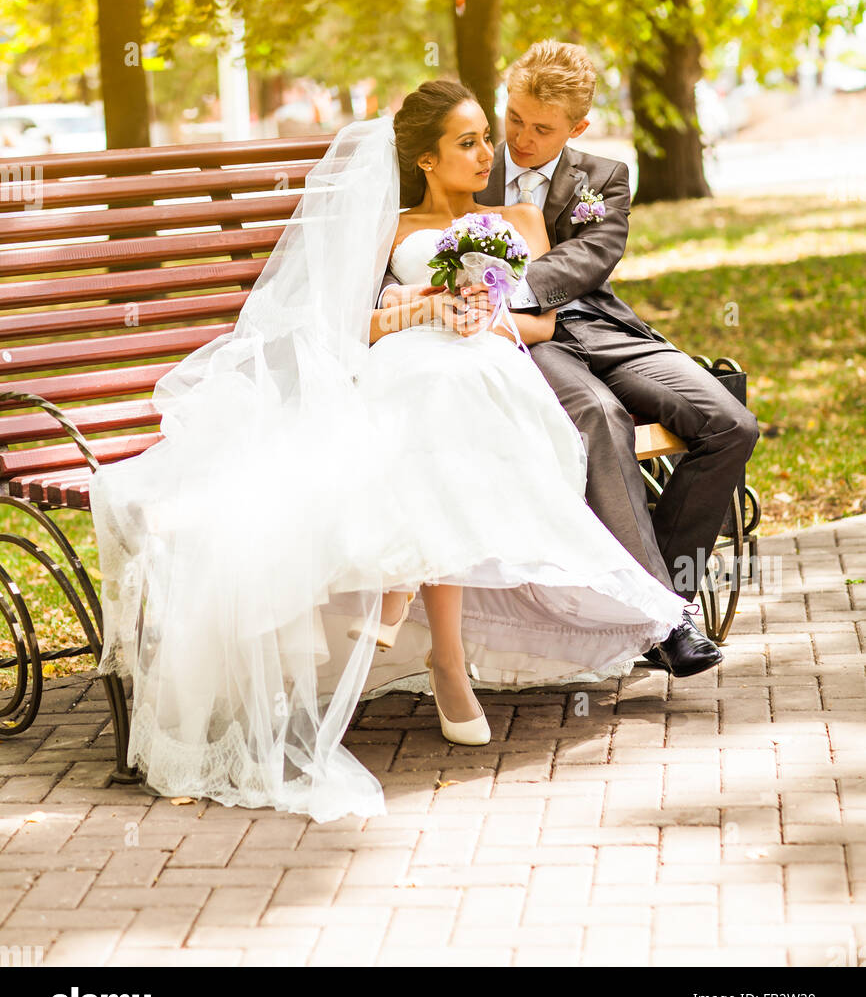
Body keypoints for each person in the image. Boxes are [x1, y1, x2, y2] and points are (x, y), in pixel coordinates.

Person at [89, 81, 687, 824]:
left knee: (455, 390)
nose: (486, 154)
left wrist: (485, 314)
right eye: (467, 143)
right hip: (409, 367)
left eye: (485, 139)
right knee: (434, 393)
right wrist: (425, 308)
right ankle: (443, 658)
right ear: (428, 161)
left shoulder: (519, 218)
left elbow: (542, 327)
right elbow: (348, 323)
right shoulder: (389, 225)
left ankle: (405, 593)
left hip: (487, 361)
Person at [384, 41, 760, 678]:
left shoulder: (604, 178)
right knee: (599, 417)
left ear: (577, 128)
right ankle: (668, 624)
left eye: (542, 129)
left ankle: (658, 600)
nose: (521, 139)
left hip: (601, 329)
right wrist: (469, 304)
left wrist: (507, 283)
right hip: (525, 344)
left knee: (731, 425)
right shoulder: (470, 157)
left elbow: (591, 258)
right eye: (516, 120)